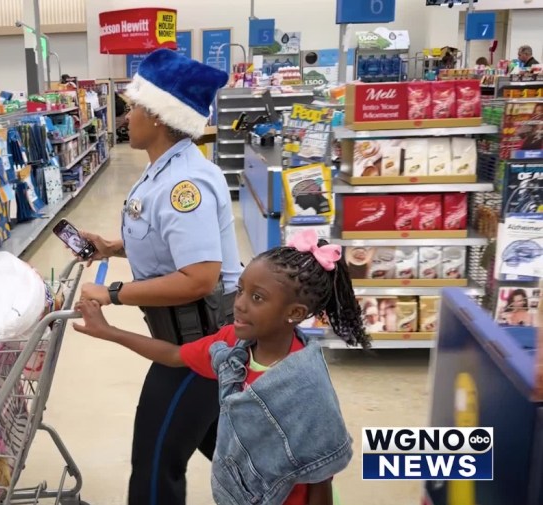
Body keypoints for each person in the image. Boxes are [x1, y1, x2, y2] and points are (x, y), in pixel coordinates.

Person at [74, 230, 370, 505]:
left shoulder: (305, 386)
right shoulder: (234, 346)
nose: (239, 304)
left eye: (257, 298)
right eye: (240, 290)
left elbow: (320, 476)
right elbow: (176, 355)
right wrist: (109, 332)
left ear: (294, 313)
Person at [74, 49, 241, 505]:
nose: (127, 118)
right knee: (235, 452)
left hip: (202, 346)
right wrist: (113, 247)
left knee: (155, 460)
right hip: (189, 341)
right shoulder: (160, 173)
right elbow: (173, 247)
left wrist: (113, 293)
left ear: (161, 115)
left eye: (134, 107)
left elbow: (200, 277)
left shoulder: (185, 185)